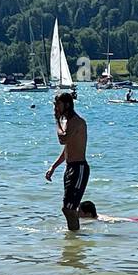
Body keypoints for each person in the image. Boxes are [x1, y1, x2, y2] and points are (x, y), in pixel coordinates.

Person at [45, 91, 89, 231]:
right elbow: (67, 149)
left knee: (68, 209)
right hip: (70, 168)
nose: (56, 108)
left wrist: (57, 121)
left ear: (67, 105)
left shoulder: (77, 122)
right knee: (69, 208)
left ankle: (75, 238)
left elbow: (62, 140)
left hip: (79, 168)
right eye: (55, 105)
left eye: (58, 104)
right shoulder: (68, 122)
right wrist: (54, 167)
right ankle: (74, 240)